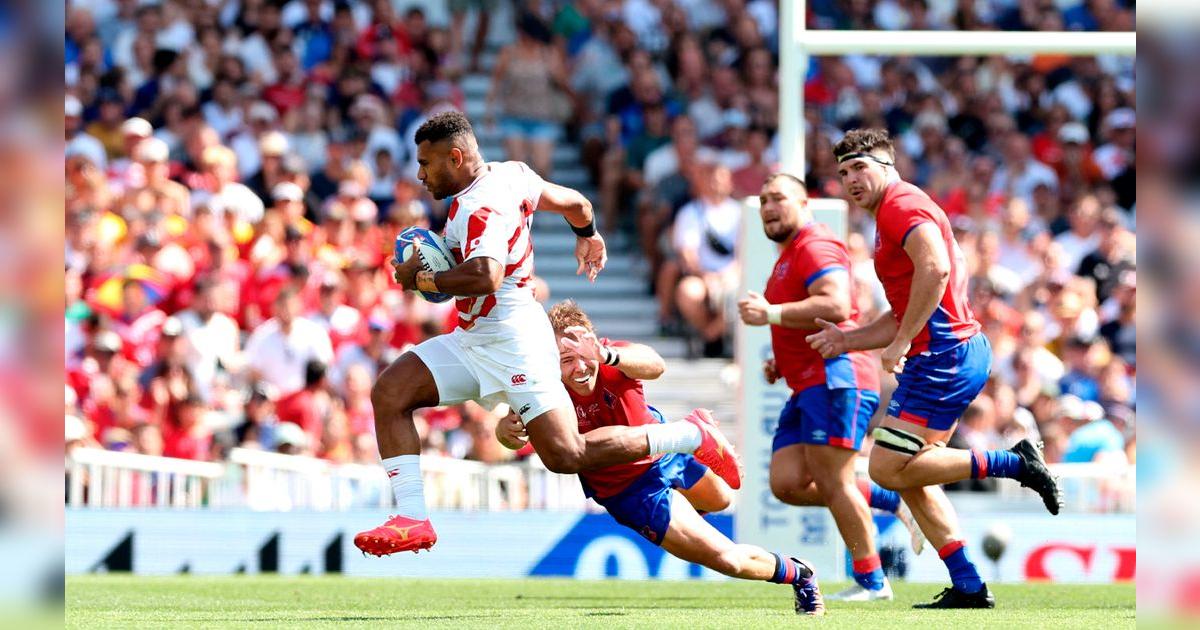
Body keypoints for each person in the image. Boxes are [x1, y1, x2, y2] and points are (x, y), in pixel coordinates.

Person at [353, 111, 741, 557]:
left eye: (426, 164)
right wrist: (588, 235)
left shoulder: (483, 205)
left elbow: (485, 275)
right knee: (390, 392)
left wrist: (421, 281)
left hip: (516, 340)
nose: (419, 174)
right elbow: (578, 204)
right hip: (475, 338)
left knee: (566, 455)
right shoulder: (512, 175)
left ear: (456, 157)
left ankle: (690, 435)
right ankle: (413, 519)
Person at [806, 129, 1063, 609]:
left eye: (860, 167)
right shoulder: (890, 214)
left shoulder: (901, 204)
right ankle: (968, 585)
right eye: (843, 173)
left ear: (888, 167)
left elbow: (936, 269)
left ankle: (1014, 462)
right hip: (948, 353)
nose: (851, 180)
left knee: (885, 467)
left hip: (943, 355)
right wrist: (848, 339)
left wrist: (901, 343)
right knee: (910, 473)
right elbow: (905, 307)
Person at [495, 300, 824, 615]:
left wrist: (608, 355)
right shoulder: (543, 387)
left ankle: (692, 474)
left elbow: (655, 363)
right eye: (566, 359)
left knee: (723, 500)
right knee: (728, 560)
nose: (580, 367)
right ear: (551, 360)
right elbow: (506, 434)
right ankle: (800, 574)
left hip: (666, 449)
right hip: (633, 493)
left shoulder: (611, 356)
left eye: (584, 355)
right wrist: (504, 431)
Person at [737, 173, 923, 602]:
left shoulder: (815, 245)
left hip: (836, 379)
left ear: (805, 204)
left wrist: (770, 314)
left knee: (835, 481)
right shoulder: (791, 254)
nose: (768, 206)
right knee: (787, 484)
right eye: (763, 200)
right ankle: (893, 502)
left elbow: (837, 306)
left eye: (779, 198)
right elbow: (809, 317)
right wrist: (781, 359)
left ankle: (873, 583)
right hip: (808, 382)